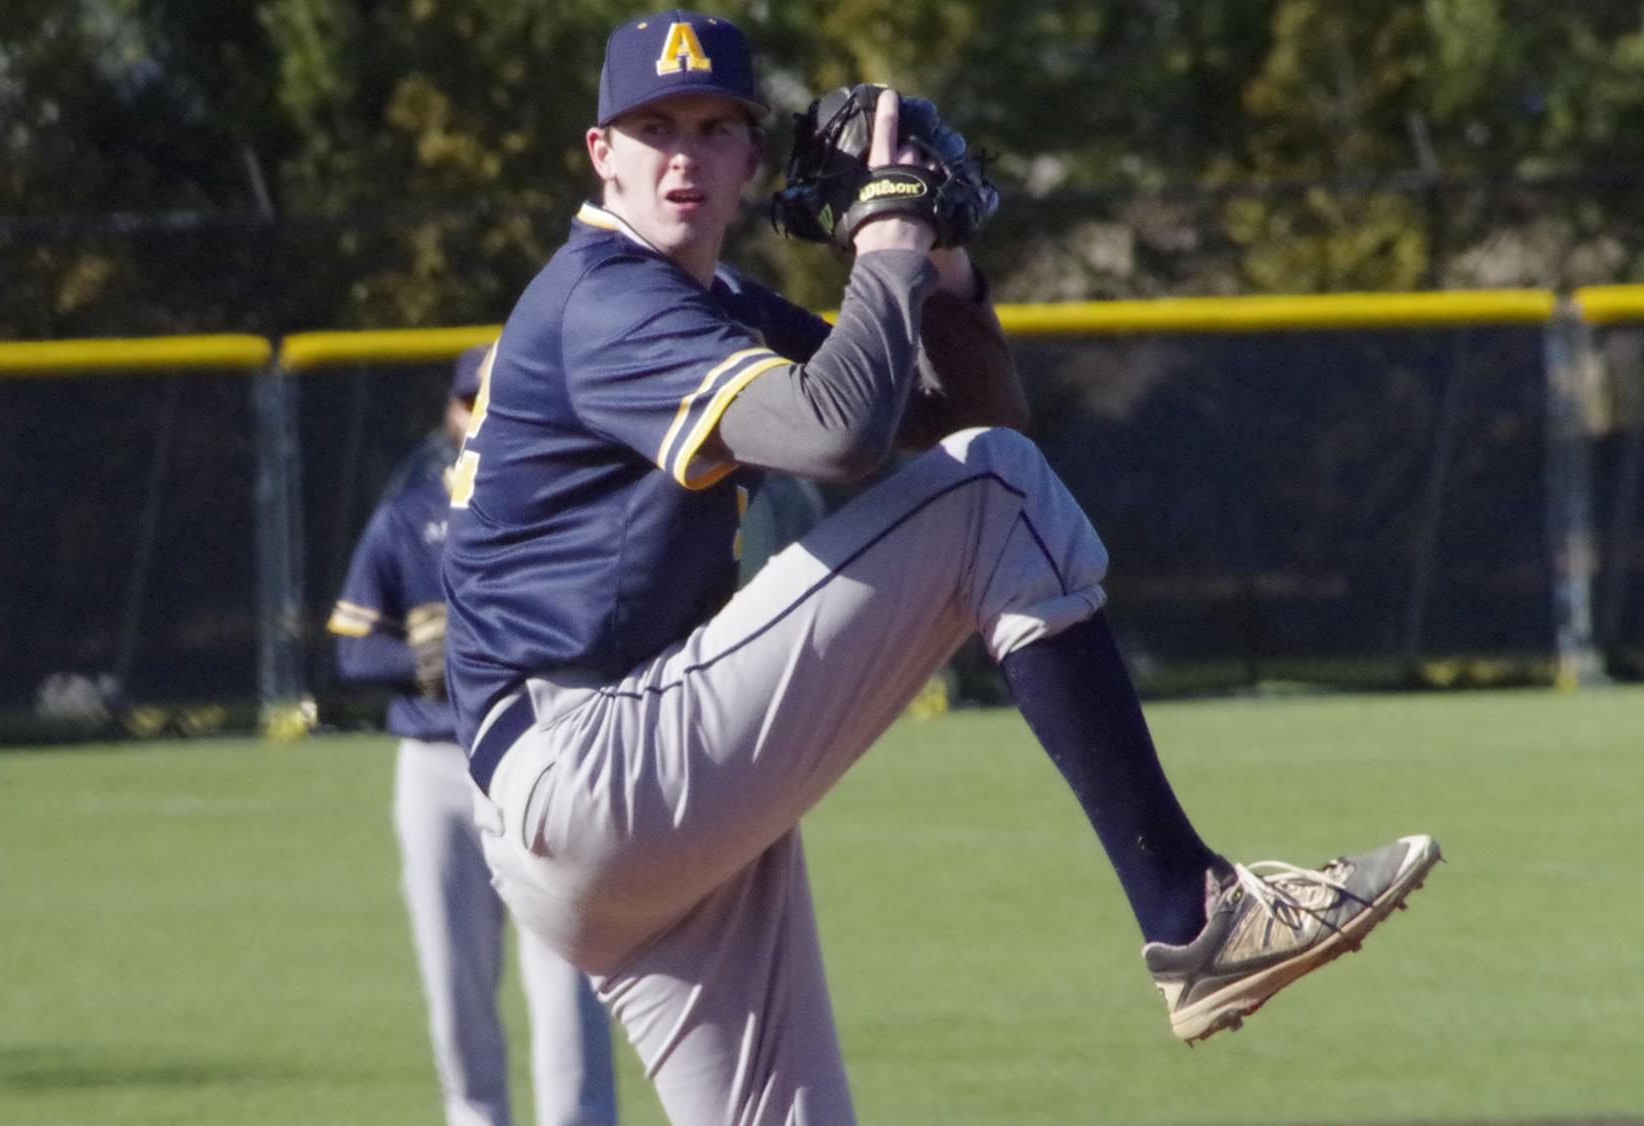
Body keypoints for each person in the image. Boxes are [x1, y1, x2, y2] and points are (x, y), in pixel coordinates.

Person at [441, 10, 1442, 1124]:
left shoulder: (705, 306)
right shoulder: (604, 297)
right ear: (602, 152)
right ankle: (1192, 909)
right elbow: (846, 439)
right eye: (653, 126)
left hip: (620, 807)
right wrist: (880, 247)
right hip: (592, 763)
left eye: (714, 126)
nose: (681, 154)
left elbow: (959, 412)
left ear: (747, 157)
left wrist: (941, 250)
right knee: (992, 489)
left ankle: (1194, 917)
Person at [327, 344, 619, 1126]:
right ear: (452, 415)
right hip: (437, 769)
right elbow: (353, 648)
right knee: (455, 980)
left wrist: (477, 643)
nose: (483, 413)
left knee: (567, 976)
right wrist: (420, 659)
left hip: (542, 754)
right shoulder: (407, 516)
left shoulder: (569, 510)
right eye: (471, 400)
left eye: (501, 397)